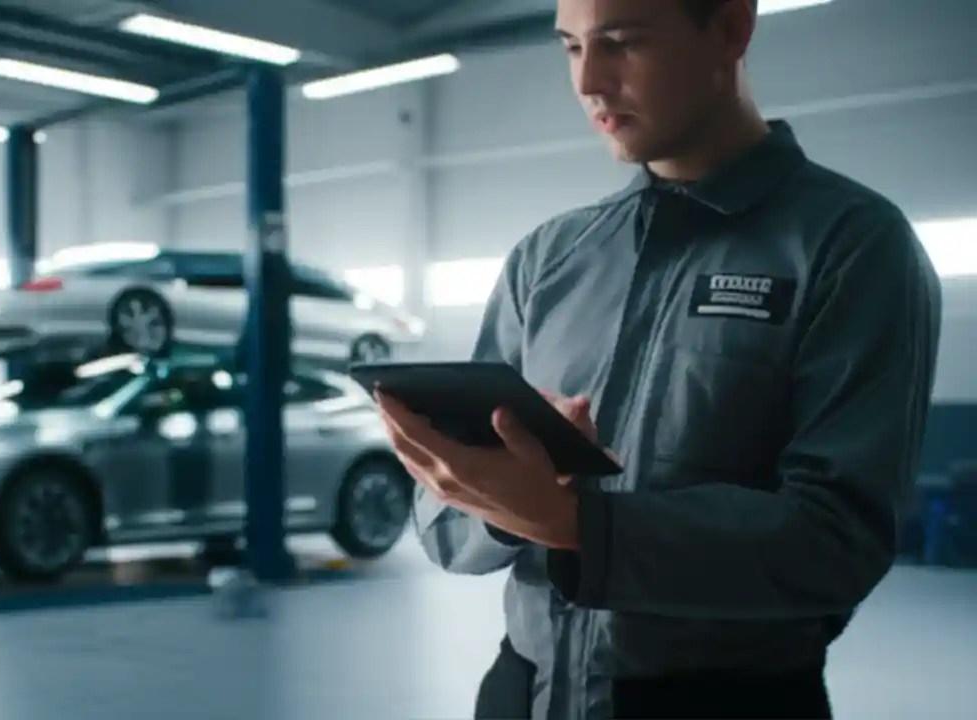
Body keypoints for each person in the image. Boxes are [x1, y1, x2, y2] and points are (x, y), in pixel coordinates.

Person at [372, 0, 943, 718]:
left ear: (732, 28)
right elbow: (444, 523)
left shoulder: (850, 246)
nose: (588, 82)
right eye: (572, 48)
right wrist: (495, 499)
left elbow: (838, 539)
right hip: (524, 693)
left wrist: (575, 524)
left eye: (620, 42)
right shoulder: (549, 259)